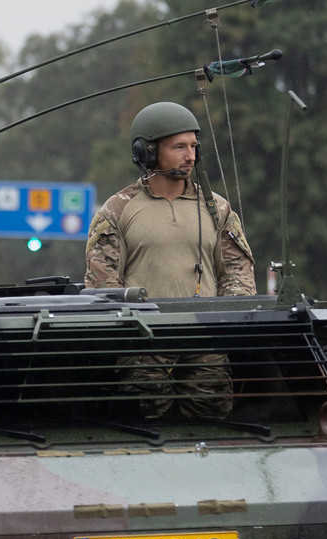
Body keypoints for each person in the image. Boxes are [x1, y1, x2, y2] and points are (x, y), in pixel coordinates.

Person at [84, 101, 256, 418]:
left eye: (193, 146)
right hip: (144, 343)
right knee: (144, 423)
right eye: (179, 147)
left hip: (205, 341)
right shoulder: (117, 210)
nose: (190, 155)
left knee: (209, 424)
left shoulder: (217, 208)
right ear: (147, 151)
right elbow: (102, 283)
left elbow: (238, 272)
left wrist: (223, 320)